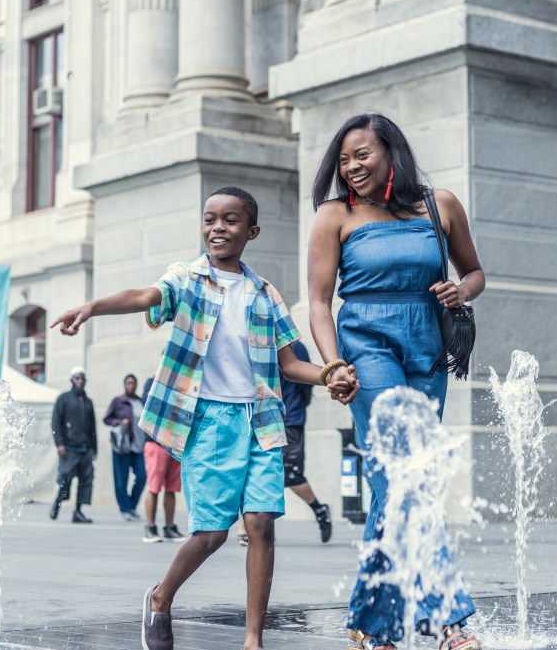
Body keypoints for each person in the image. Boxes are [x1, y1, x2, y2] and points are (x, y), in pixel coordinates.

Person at [50, 186, 359, 650]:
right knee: (212, 533)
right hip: (209, 421)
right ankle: (160, 597)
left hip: (261, 420)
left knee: (261, 526)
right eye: (210, 219)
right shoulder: (187, 278)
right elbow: (144, 294)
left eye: (231, 220)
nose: (218, 227)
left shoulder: (265, 294)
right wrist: (94, 307)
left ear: (251, 231)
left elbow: (290, 364)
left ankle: (253, 639)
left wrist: (330, 375)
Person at [307, 112, 485, 650]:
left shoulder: (440, 204)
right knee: (403, 474)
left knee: (404, 483)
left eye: (361, 155)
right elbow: (318, 302)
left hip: (427, 347)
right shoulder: (335, 215)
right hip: (367, 344)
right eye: (343, 159)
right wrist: (333, 363)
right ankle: (451, 623)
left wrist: (463, 291)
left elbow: (475, 272)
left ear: (391, 152)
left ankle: (372, 627)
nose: (352, 167)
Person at [281, 339, 335, 543]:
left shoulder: (294, 346)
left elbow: (306, 381)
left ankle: (319, 510)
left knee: (291, 473)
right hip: (264, 418)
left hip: (290, 417)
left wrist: (299, 405)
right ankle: (254, 529)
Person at [49, 366, 98, 524]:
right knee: (65, 478)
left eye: (82, 378)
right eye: (77, 378)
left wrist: (94, 448)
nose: (80, 381)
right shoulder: (63, 399)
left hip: (85, 449)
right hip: (68, 448)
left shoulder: (88, 402)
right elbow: (55, 422)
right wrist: (59, 444)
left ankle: (78, 511)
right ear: (72, 380)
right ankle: (58, 501)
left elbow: (93, 427)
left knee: (85, 480)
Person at [141, 376, 185, 543]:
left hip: (174, 443)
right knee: (154, 486)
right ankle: (150, 527)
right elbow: (148, 402)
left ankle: (169, 527)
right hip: (156, 443)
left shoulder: (183, 383)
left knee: (172, 488)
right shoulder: (153, 381)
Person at [104, 372, 148, 521]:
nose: (131, 385)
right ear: (124, 385)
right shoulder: (118, 401)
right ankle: (125, 509)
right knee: (121, 480)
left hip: (138, 446)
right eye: (128, 383)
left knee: (142, 475)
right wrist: (120, 422)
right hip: (122, 446)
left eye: (133, 383)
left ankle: (131, 506)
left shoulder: (140, 402)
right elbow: (107, 419)